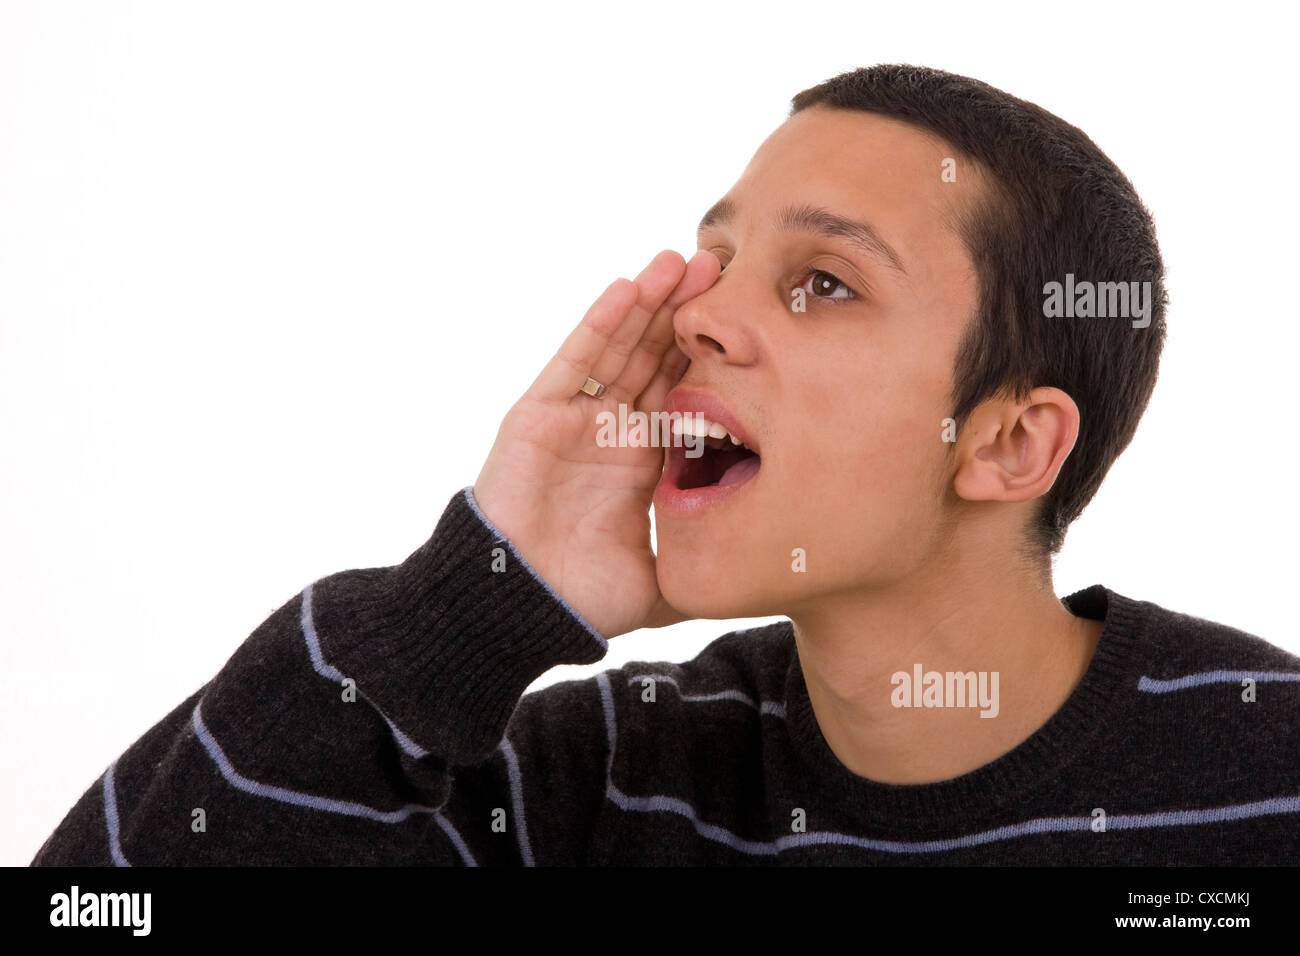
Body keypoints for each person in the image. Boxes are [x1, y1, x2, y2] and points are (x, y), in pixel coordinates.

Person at [32, 64, 1300, 866]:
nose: (696, 316)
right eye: (718, 258)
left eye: (822, 281)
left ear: (1011, 442)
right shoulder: (595, 783)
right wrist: (465, 603)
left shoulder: (1267, 766)